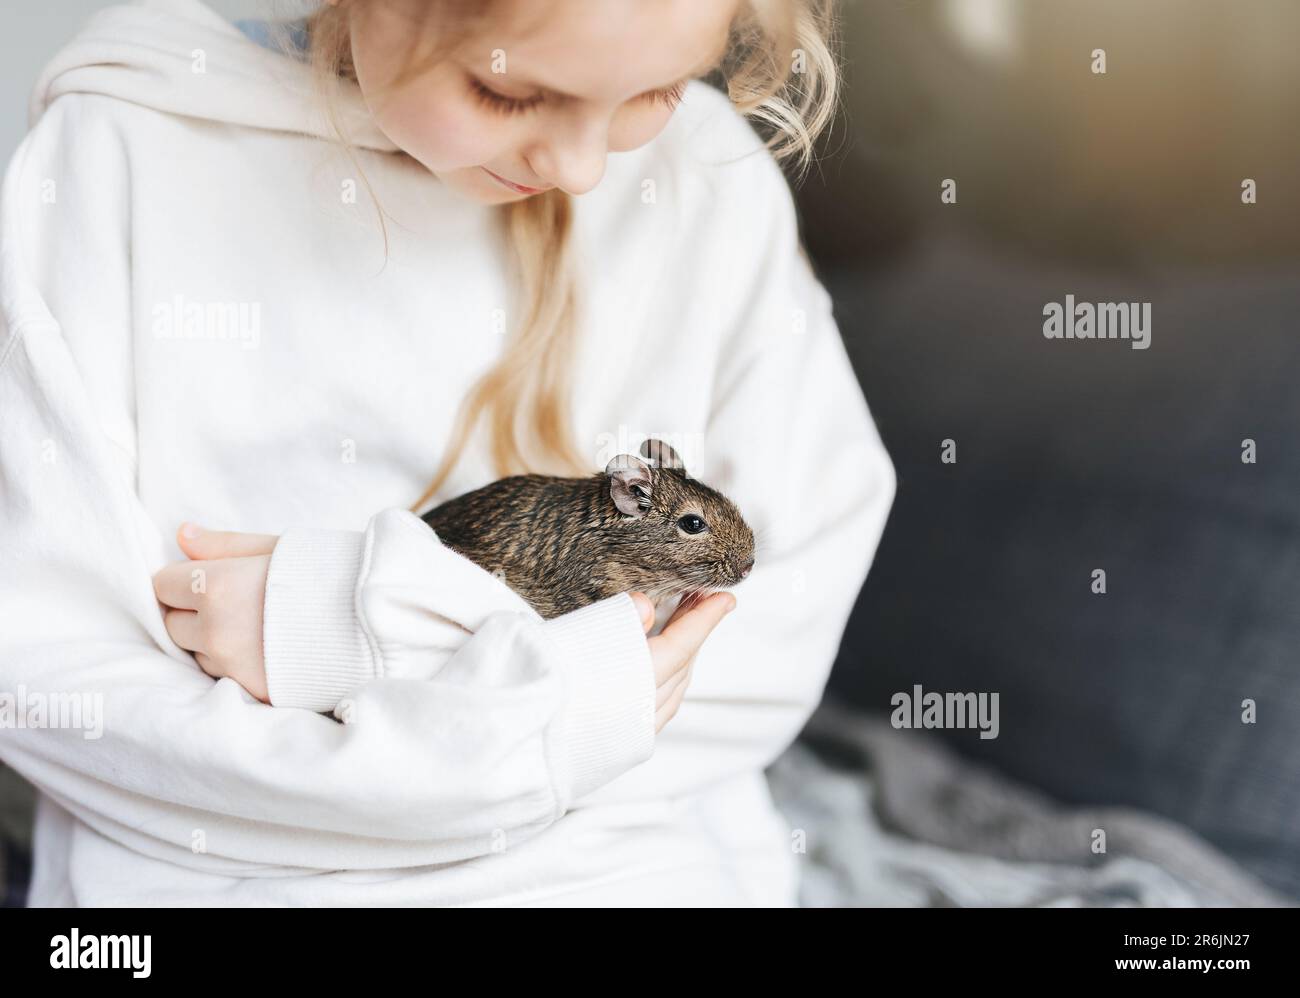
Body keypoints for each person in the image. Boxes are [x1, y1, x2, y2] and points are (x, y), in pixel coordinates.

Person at [0, 0, 894, 906]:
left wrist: (387, 648)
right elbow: (44, 669)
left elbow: (787, 598)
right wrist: (511, 735)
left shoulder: (709, 184)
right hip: (240, 867)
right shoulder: (120, 158)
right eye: (509, 91)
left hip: (623, 852)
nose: (584, 170)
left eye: (657, 91)